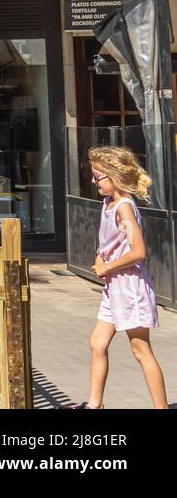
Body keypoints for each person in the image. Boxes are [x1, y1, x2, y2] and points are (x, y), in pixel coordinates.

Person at [72, 146, 167, 409]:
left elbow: (138, 251)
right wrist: (101, 258)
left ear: (114, 176)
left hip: (129, 288)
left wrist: (107, 266)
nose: (94, 181)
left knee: (140, 350)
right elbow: (112, 242)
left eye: (98, 176)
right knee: (97, 343)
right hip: (113, 287)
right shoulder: (108, 204)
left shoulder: (124, 208)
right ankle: (94, 405)